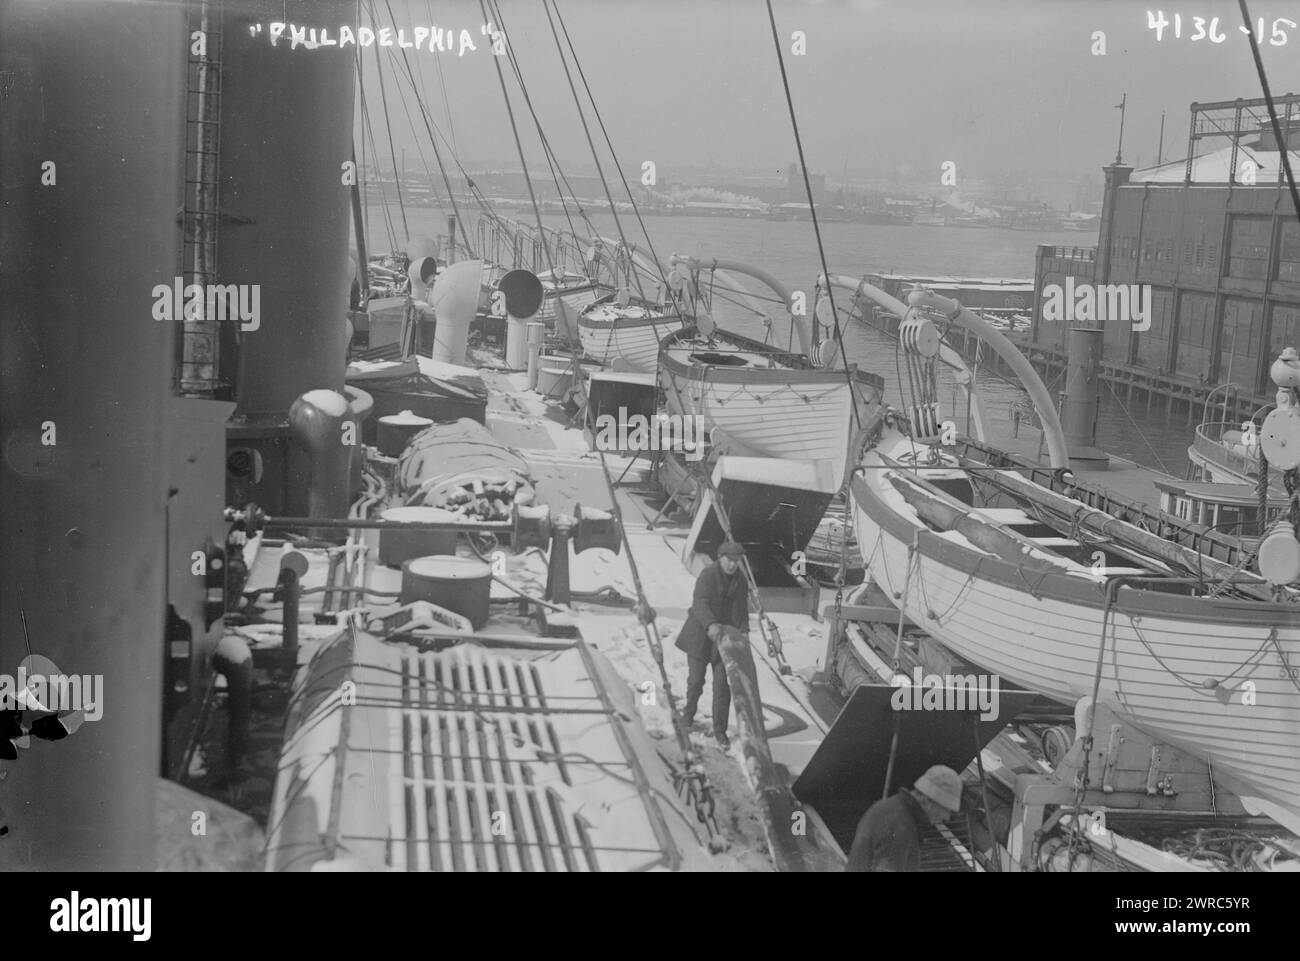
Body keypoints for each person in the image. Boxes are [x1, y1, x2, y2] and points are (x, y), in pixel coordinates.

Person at [675, 541, 749, 749]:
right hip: (699, 636)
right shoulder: (708, 575)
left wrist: (743, 631)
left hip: (723, 642)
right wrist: (711, 624)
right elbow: (700, 602)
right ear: (720, 557)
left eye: (737, 561)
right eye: (729, 560)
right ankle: (687, 717)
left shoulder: (740, 581)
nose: (733, 565)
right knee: (696, 681)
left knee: (722, 686)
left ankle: (720, 731)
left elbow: (741, 609)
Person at [845, 765, 963, 872]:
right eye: (946, 809)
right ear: (928, 801)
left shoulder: (893, 807)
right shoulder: (899, 827)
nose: (947, 817)